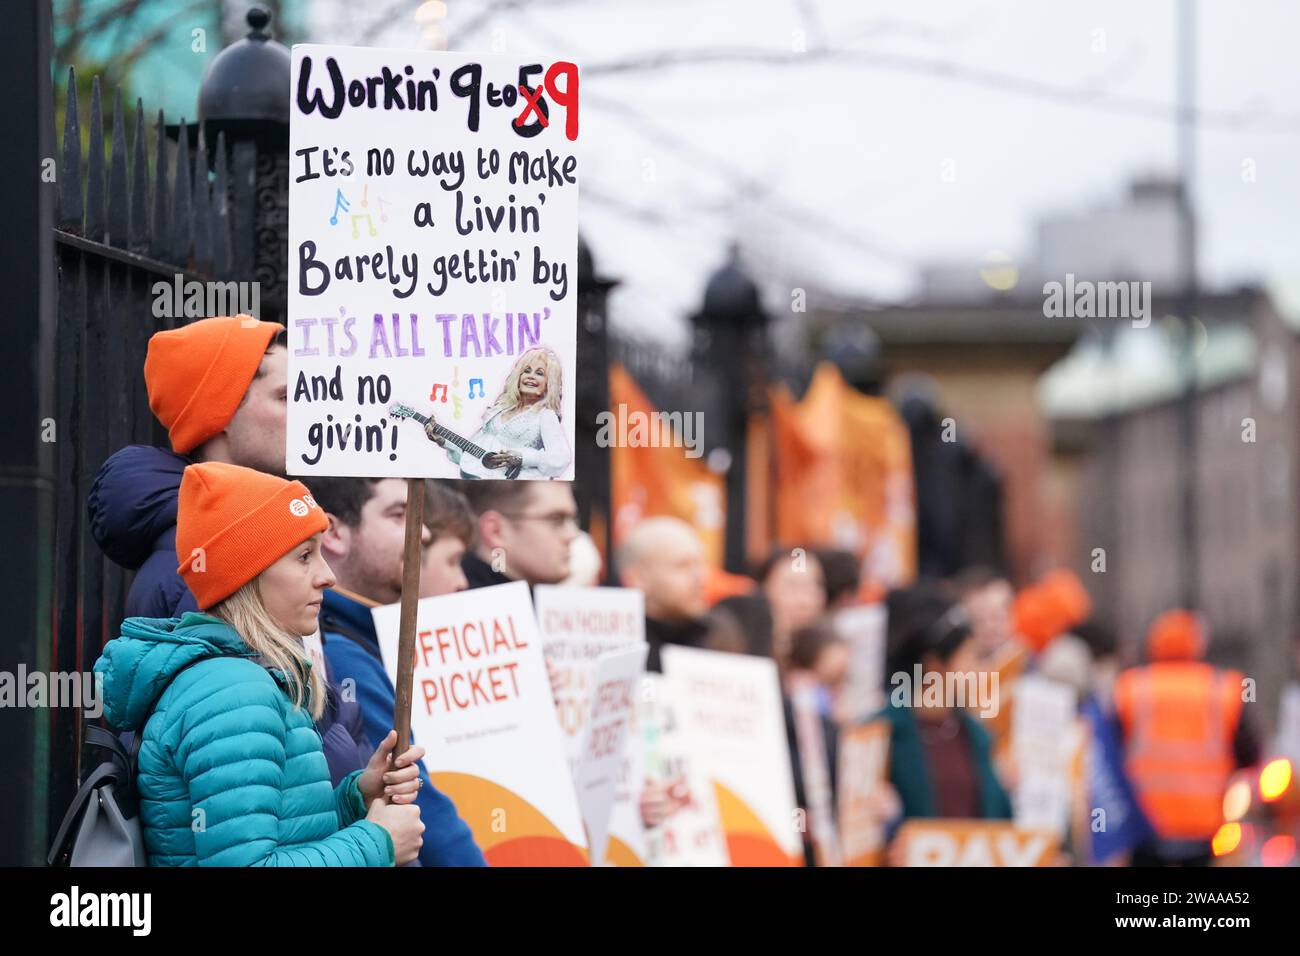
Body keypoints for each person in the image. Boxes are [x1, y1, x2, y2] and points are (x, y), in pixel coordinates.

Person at [85, 315, 377, 791]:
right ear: (219, 413)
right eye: (287, 397)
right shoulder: (203, 562)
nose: (309, 413)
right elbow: (241, 780)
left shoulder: (263, 539)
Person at [94, 462, 425, 866]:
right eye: (304, 556)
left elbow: (279, 832)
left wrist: (357, 798)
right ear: (246, 575)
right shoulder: (234, 694)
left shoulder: (239, 679)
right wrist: (378, 844)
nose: (327, 576)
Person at [308, 476, 487, 867]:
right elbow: (422, 809)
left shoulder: (360, 638)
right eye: (398, 514)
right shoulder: (341, 652)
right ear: (333, 532)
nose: (421, 532)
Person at [870, 586, 1013, 858]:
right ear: (935, 664)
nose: (979, 670)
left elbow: (1004, 825)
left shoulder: (979, 736)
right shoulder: (879, 733)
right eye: (970, 658)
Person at [1114, 609, 1258, 866]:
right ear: (1198, 645)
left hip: (1143, 826)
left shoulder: (1130, 688)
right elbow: (1249, 753)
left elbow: (1110, 753)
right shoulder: (1222, 689)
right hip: (1204, 827)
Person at [424, 346, 571, 479]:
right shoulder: (500, 409)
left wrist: (522, 457)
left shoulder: (545, 415)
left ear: (549, 383)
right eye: (526, 370)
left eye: (539, 373)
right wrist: (443, 441)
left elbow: (560, 458)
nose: (530, 376)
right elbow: (473, 452)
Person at [617, 516, 711, 673]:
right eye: (682, 565)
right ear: (637, 579)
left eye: (700, 564)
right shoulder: (621, 655)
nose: (700, 577)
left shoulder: (717, 639)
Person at [453, 479, 581, 589]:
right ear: (495, 531)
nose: (573, 534)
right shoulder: (464, 609)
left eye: (572, 519)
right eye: (556, 520)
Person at [757, 546, 828, 670]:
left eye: (814, 586)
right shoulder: (751, 652)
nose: (805, 601)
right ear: (764, 589)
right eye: (793, 587)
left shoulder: (829, 653)